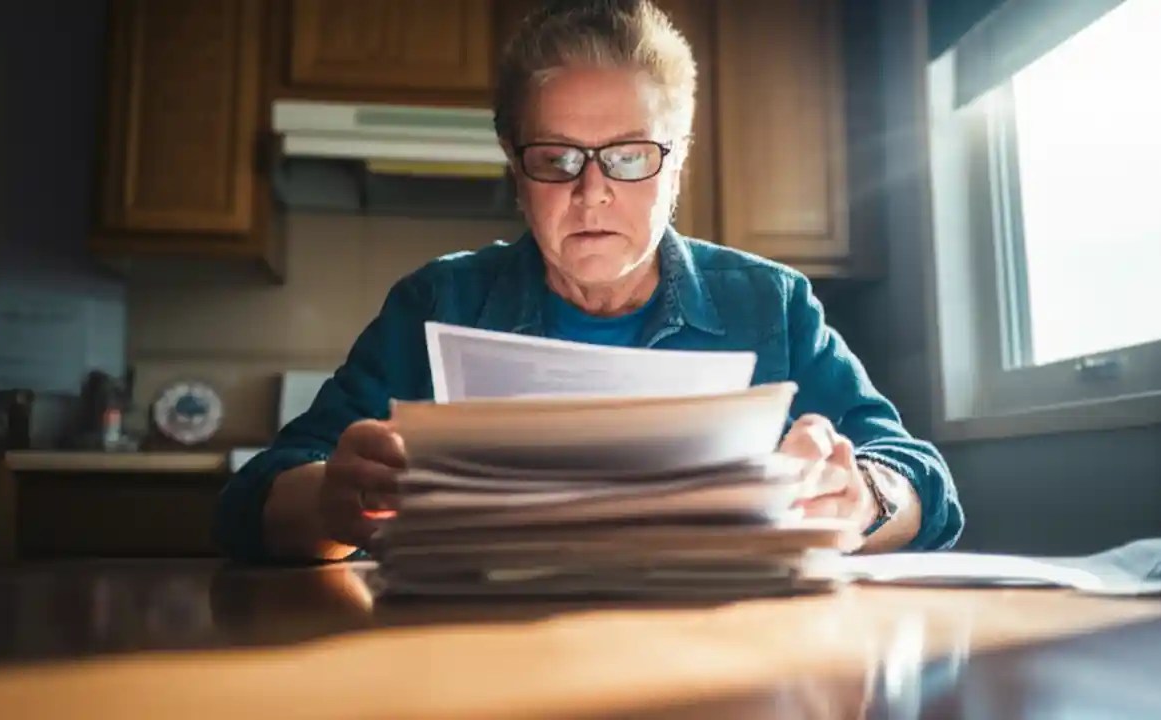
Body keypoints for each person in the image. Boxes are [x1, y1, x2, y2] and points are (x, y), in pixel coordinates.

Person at [217, 0, 963, 563]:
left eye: (631, 154)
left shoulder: (770, 304)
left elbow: (923, 483)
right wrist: (331, 500)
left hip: (720, 667)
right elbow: (254, 498)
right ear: (517, 169)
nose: (592, 190)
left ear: (677, 164)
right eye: (557, 157)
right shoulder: (434, 305)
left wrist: (861, 497)